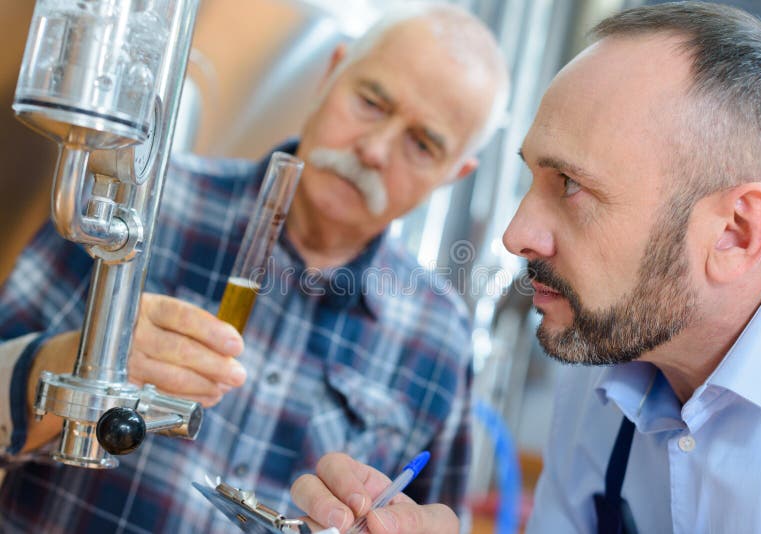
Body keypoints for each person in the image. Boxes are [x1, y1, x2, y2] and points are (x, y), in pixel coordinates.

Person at [290, 2, 761, 533]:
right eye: (532, 177)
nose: (516, 237)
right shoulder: (603, 378)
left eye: (570, 185)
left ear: (735, 231)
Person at [0, 3, 509, 533]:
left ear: (456, 173)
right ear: (330, 71)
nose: (376, 149)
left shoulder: (439, 339)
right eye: (372, 102)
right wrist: (90, 361)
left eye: (422, 144)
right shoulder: (139, 206)